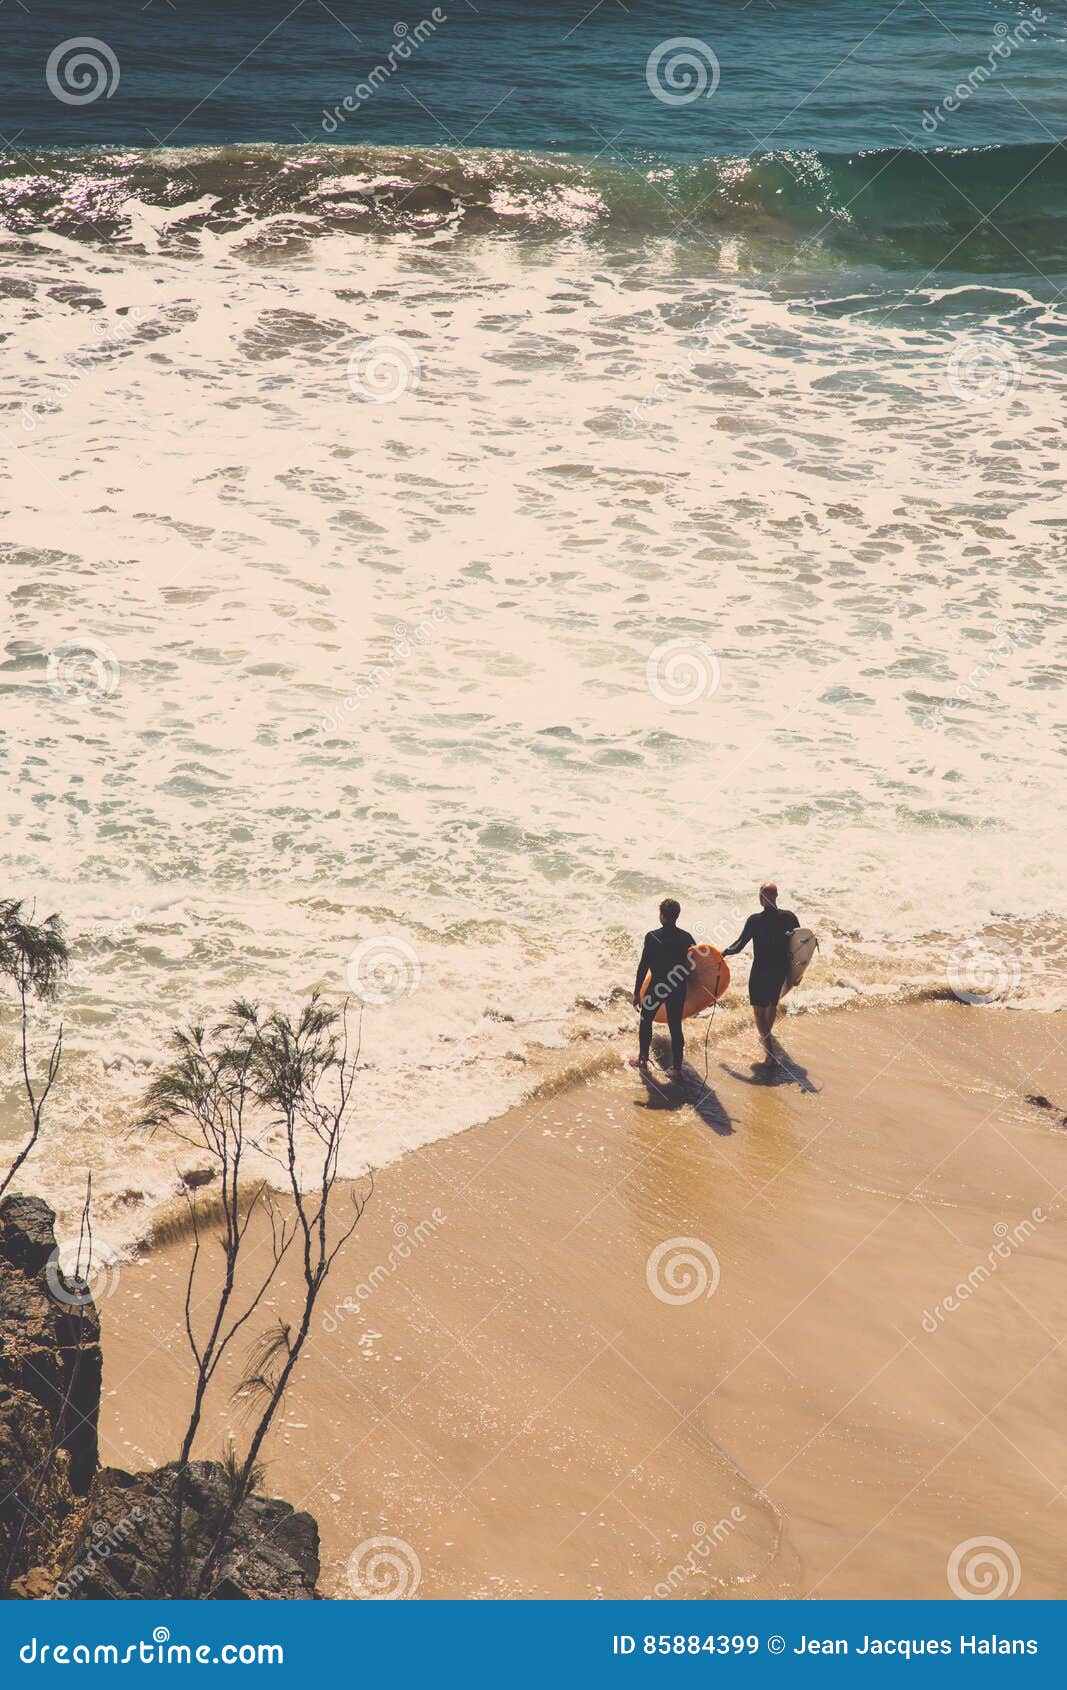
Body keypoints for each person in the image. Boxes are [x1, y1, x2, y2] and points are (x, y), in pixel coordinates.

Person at [722, 882, 799, 1056]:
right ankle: (766, 1037)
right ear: (776, 896)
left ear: (761, 898)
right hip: (780, 969)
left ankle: (769, 1050)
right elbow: (800, 945)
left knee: (758, 1010)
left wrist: (723, 953)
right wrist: (796, 972)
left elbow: (739, 945)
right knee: (771, 1004)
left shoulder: (755, 920)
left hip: (761, 969)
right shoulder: (789, 917)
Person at [631, 898, 695, 1076]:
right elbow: (696, 966)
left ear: (663, 916)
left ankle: (642, 1059)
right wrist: (704, 993)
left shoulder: (652, 937)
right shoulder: (687, 937)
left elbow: (643, 966)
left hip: (658, 984)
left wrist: (637, 993)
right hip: (677, 985)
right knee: (675, 1026)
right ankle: (677, 1068)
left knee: (646, 1020)